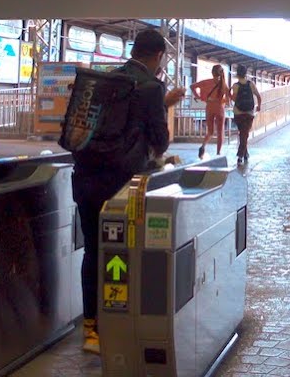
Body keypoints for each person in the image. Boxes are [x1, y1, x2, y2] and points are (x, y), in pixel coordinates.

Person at [73, 29, 186, 355]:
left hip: (86, 180)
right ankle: (123, 322)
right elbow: (160, 141)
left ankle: (92, 330)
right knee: (125, 252)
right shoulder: (151, 87)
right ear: (158, 57)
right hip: (123, 185)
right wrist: (162, 106)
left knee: (93, 251)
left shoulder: (107, 81)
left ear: (133, 50)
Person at [191, 65, 229, 159]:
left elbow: (192, 86)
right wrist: (222, 101)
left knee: (210, 131)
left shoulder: (206, 82)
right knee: (220, 132)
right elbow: (228, 100)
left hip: (209, 108)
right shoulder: (223, 85)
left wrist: (199, 96)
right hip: (219, 108)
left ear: (212, 73)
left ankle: (203, 145)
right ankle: (218, 153)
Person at [228, 65, 262, 166]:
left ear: (237, 74)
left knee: (243, 133)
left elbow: (234, 99)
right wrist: (259, 106)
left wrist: (229, 94)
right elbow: (258, 96)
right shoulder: (251, 84)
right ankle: (243, 154)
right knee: (244, 133)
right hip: (249, 113)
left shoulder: (235, 85)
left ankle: (241, 155)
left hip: (238, 112)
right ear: (245, 73)